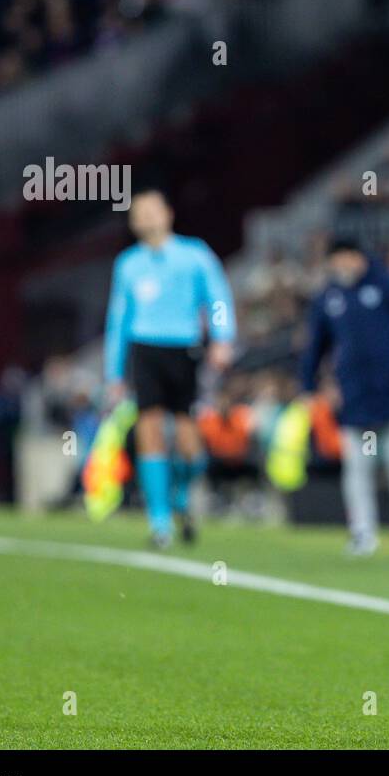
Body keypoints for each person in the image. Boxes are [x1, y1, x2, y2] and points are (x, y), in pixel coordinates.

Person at [103, 189, 235, 548]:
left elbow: (218, 297)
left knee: (189, 437)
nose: (144, 218)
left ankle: (180, 487)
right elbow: (118, 320)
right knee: (149, 428)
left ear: (168, 213)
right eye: (137, 213)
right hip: (144, 348)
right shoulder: (128, 264)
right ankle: (160, 521)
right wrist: (113, 374)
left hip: (184, 348)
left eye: (150, 210)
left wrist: (223, 338)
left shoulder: (194, 255)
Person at [299, 239, 389, 556]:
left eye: (345, 258)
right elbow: (315, 345)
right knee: (358, 468)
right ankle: (362, 533)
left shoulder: (387, 285)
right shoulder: (329, 297)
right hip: (355, 401)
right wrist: (308, 385)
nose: (340, 266)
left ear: (358, 257)